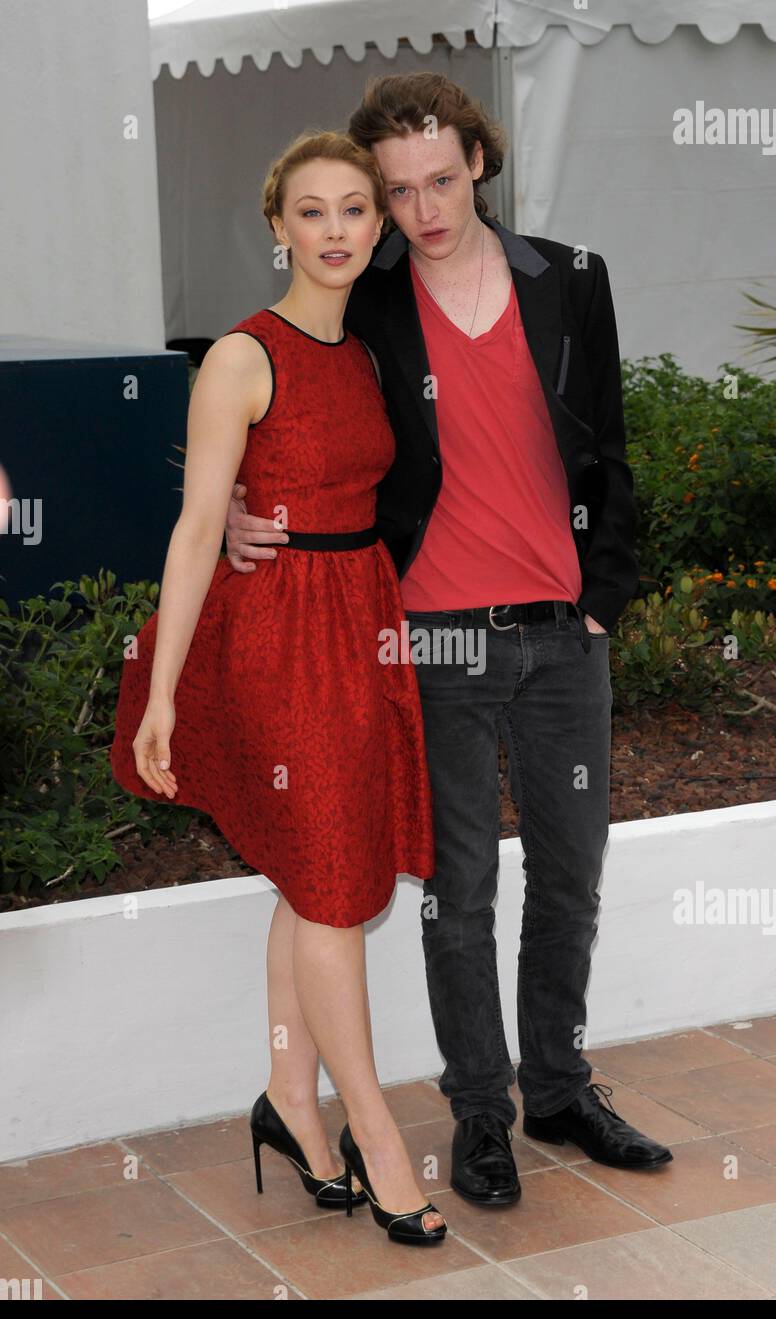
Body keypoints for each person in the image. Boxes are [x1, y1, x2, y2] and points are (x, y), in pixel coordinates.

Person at [225, 74, 673, 1208]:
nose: (421, 211)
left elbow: (608, 449)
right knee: (457, 889)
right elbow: (272, 398)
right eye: (395, 192)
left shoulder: (569, 280)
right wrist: (231, 504)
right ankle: (481, 1113)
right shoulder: (364, 304)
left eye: (438, 179)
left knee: (570, 873)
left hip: (562, 636)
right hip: (430, 638)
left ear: (478, 159)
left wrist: (601, 596)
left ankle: (560, 1088)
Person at [110, 131, 447, 1244]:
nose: (340, 230)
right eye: (314, 211)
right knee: (335, 890)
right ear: (276, 227)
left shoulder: (368, 351)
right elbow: (200, 524)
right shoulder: (242, 356)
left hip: (359, 623)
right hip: (272, 639)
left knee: (314, 882)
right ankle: (378, 1134)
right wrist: (161, 695)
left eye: (358, 209)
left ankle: (290, 1103)